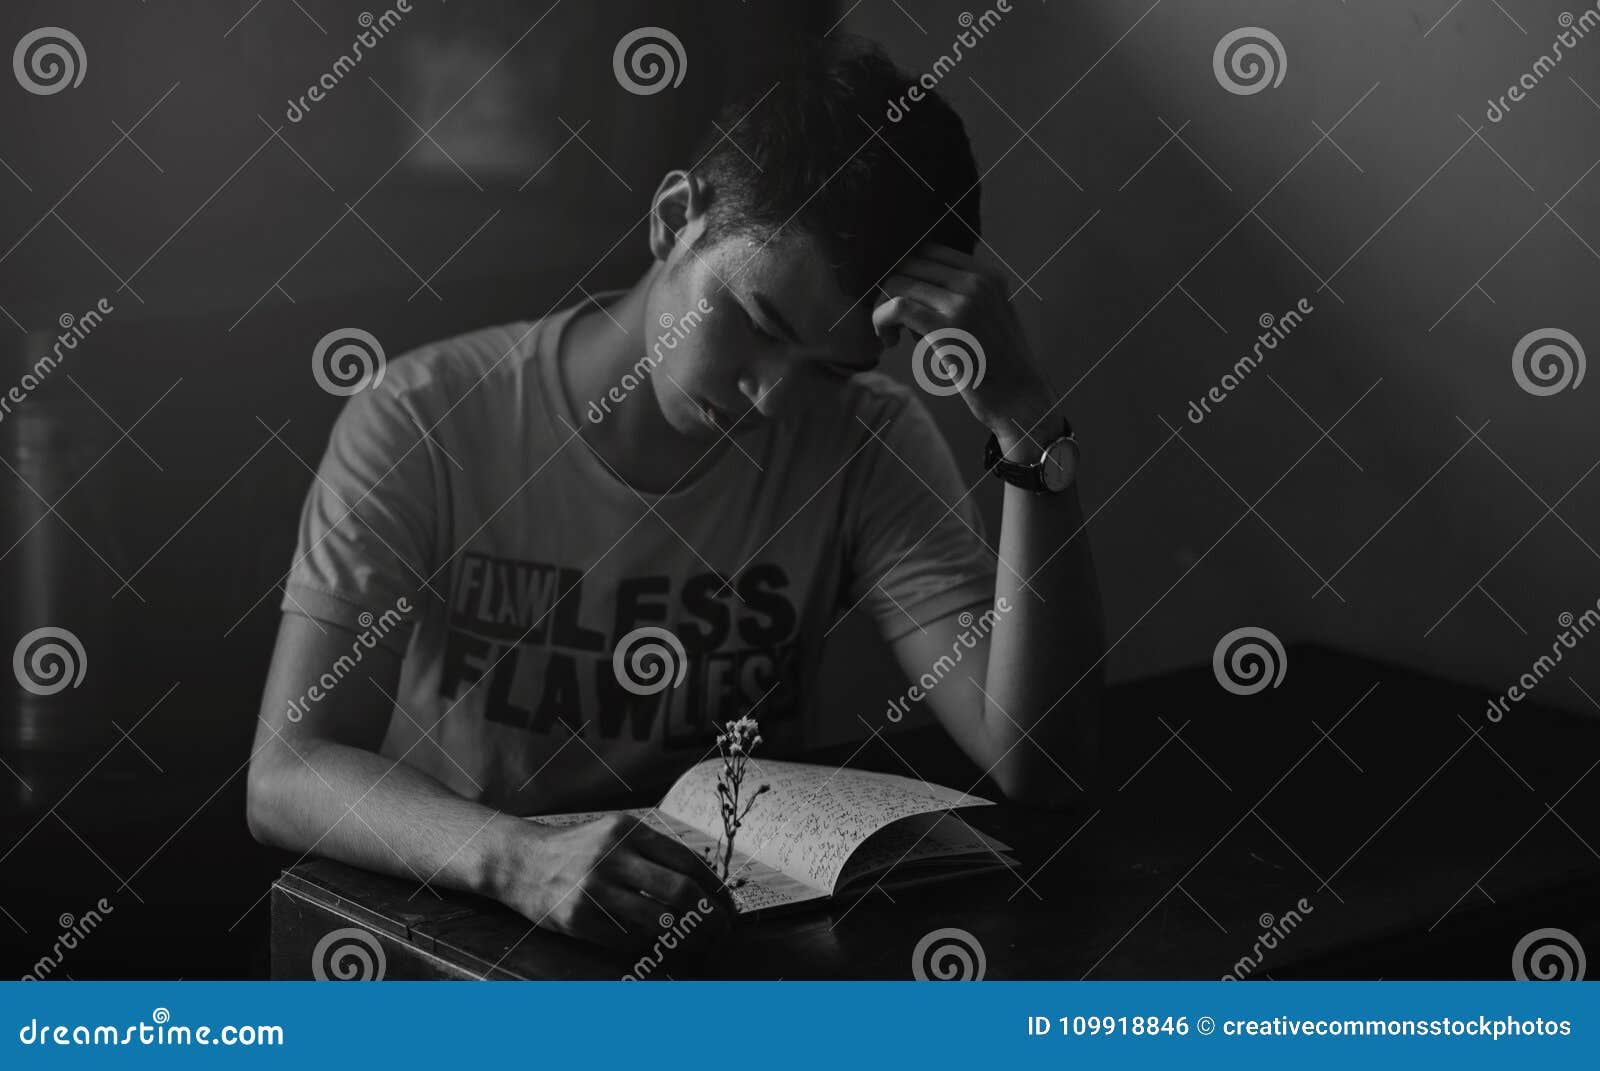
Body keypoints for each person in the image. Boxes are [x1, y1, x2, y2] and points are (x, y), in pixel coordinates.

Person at [246, 36, 1106, 952]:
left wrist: (1024, 420)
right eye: (757, 321)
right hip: (463, 939)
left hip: (725, 951)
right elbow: (288, 772)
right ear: (673, 219)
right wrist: (518, 857)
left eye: (827, 367)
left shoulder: (867, 438)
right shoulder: (424, 418)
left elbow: (1039, 763)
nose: (772, 395)